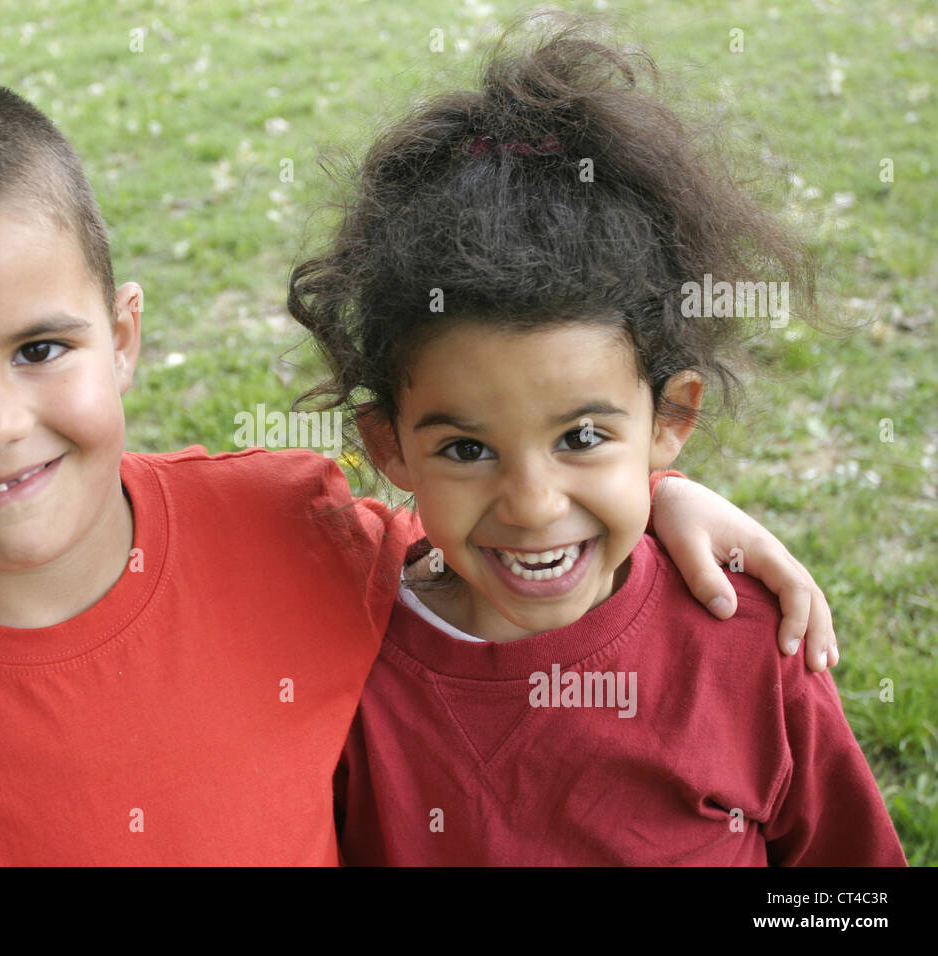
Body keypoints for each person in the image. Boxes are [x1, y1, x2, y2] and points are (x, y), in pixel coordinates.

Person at [0, 74, 841, 865]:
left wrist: (657, 495)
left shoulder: (292, 530)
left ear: (124, 333)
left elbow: (493, 528)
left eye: (38, 349)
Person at [289, 25, 906, 864]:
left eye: (580, 437)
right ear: (389, 446)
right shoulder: (341, 664)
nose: (534, 504)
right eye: (467, 450)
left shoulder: (753, 646)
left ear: (671, 419)